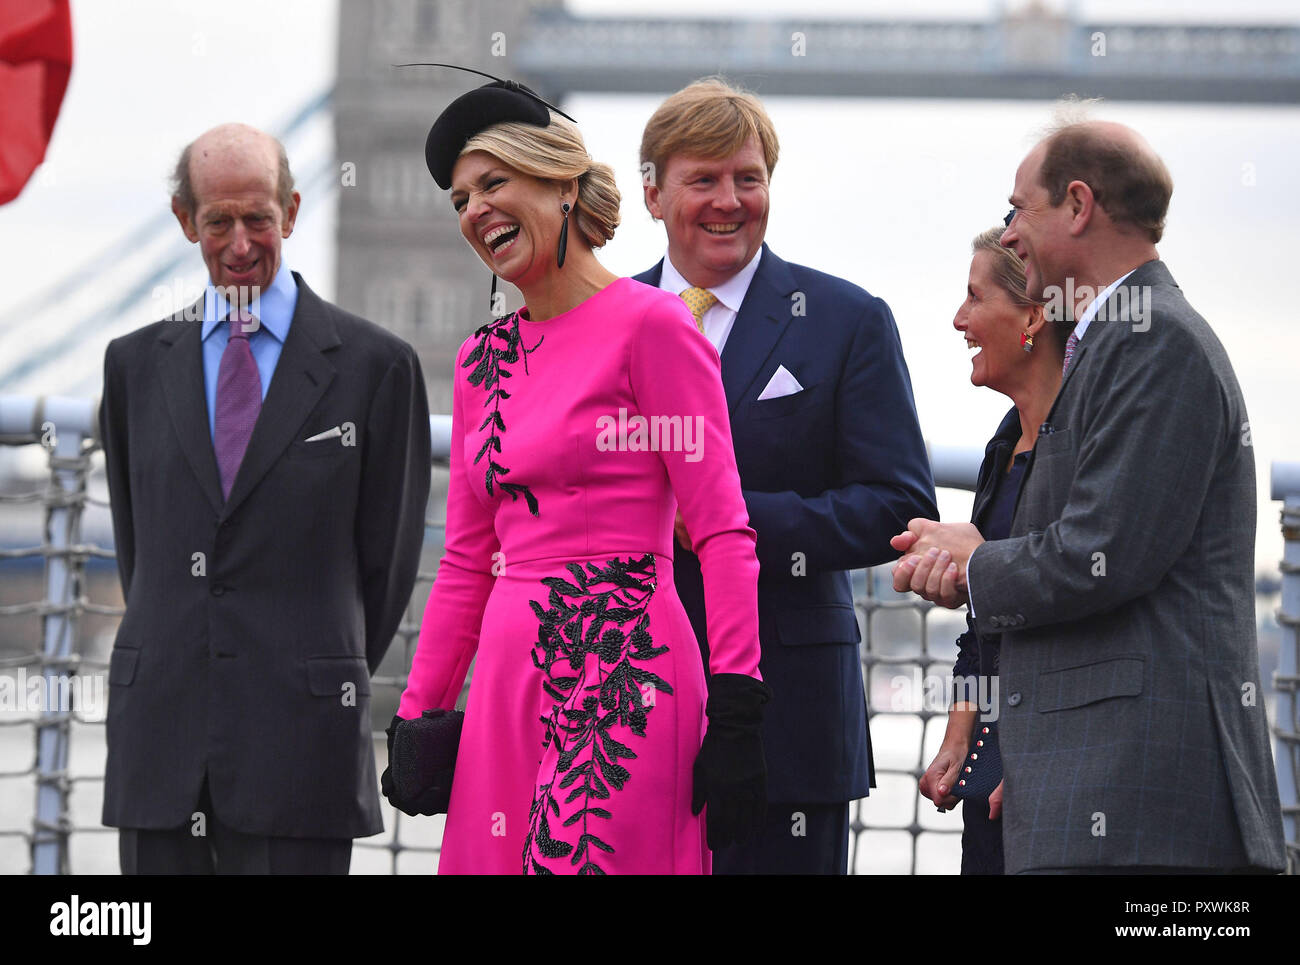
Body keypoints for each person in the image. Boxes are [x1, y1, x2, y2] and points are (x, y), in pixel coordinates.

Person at [390, 78, 769, 875]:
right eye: (461, 198)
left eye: (495, 183)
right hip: (505, 680)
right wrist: (419, 712)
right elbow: (465, 560)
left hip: (625, 673)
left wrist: (738, 704)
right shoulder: (478, 361)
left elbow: (722, 527)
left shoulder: (655, 327)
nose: (476, 210)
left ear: (562, 185)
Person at [893, 115, 1286, 874]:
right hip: (1100, 790)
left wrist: (976, 561)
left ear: (1077, 206)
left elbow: (1101, 552)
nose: (1010, 236)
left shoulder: (1154, 341)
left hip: (1140, 804)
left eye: (1020, 211)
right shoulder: (1114, 343)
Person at [98, 123, 432, 874]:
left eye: (259, 218)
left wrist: (305, 670)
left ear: (293, 210)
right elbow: (139, 551)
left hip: (303, 747)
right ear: (186, 222)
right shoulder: (131, 369)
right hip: (161, 748)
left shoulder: (380, 369)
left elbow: (385, 569)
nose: (241, 242)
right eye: (219, 220)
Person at [634, 78, 938, 875]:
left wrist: (722, 520)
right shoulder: (601, 322)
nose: (729, 201)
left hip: (786, 722)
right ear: (652, 193)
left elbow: (898, 506)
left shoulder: (847, 320)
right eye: (703, 179)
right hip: (619, 708)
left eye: (749, 177)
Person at [917, 227, 1065, 875]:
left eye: (975, 298)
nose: (959, 319)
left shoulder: (1082, 449)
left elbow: (1087, 615)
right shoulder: (1006, 443)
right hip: (992, 776)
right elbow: (987, 627)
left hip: (1047, 778)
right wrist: (958, 737)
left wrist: (1046, 759)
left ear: (1032, 316)